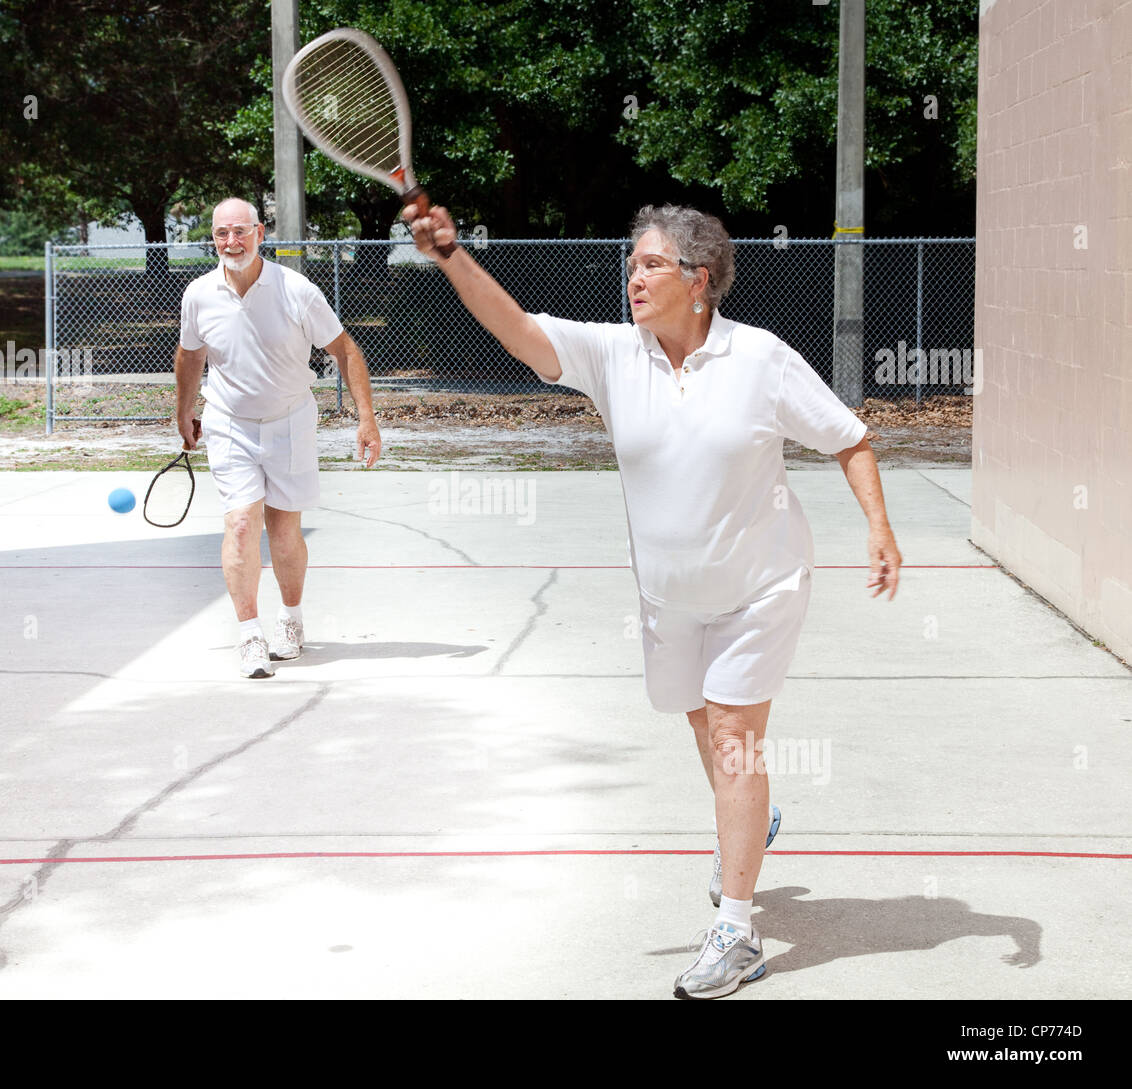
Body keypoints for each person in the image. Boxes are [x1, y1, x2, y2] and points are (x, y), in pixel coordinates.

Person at [403, 202, 902, 999]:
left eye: (651, 264)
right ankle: (749, 821)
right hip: (670, 600)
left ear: (699, 282)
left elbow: (850, 436)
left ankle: (736, 929)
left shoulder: (760, 357)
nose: (632, 276)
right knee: (705, 725)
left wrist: (879, 527)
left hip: (761, 588)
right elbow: (518, 330)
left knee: (735, 733)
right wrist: (452, 256)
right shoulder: (612, 355)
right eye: (630, 263)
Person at [175, 198, 382, 678]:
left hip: (291, 421)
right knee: (242, 524)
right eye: (222, 233)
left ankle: (291, 619)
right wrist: (184, 411)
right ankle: (249, 633)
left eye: (240, 232)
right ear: (213, 239)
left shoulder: (297, 290)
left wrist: (367, 418)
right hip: (228, 424)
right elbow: (189, 355)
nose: (232, 242)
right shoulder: (199, 293)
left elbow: (345, 349)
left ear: (260, 233)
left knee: (285, 529)